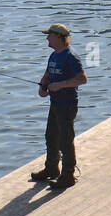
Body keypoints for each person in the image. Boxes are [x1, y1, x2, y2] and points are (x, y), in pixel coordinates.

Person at [31, 23, 87, 190]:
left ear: (59, 37)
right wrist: (43, 85)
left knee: (65, 141)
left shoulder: (71, 56)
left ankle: (68, 175)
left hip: (67, 105)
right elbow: (48, 74)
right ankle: (51, 169)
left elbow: (82, 79)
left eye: (50, 35)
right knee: (51, 136)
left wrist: (61, 85)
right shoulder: (54, 55)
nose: (47, 38)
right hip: (55, 104)